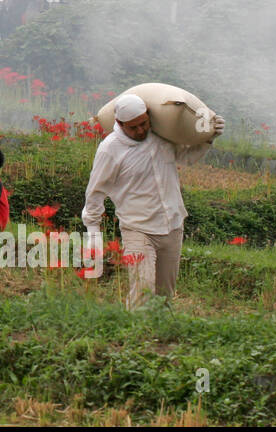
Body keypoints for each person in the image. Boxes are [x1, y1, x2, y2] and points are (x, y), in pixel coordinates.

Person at [82, 93, 225, 309]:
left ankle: (161, 339)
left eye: (143, 124)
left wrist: (209, 137)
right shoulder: (110, 149)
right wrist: (93, 230)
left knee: (165, 296)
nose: (140, 131)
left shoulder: (161, 137)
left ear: (149, 116)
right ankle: (135, 338)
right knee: (143, 293)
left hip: (172, 226)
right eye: (133, 127)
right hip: (138, 229)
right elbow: (95, 191)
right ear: (119, 124)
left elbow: (187, 157)